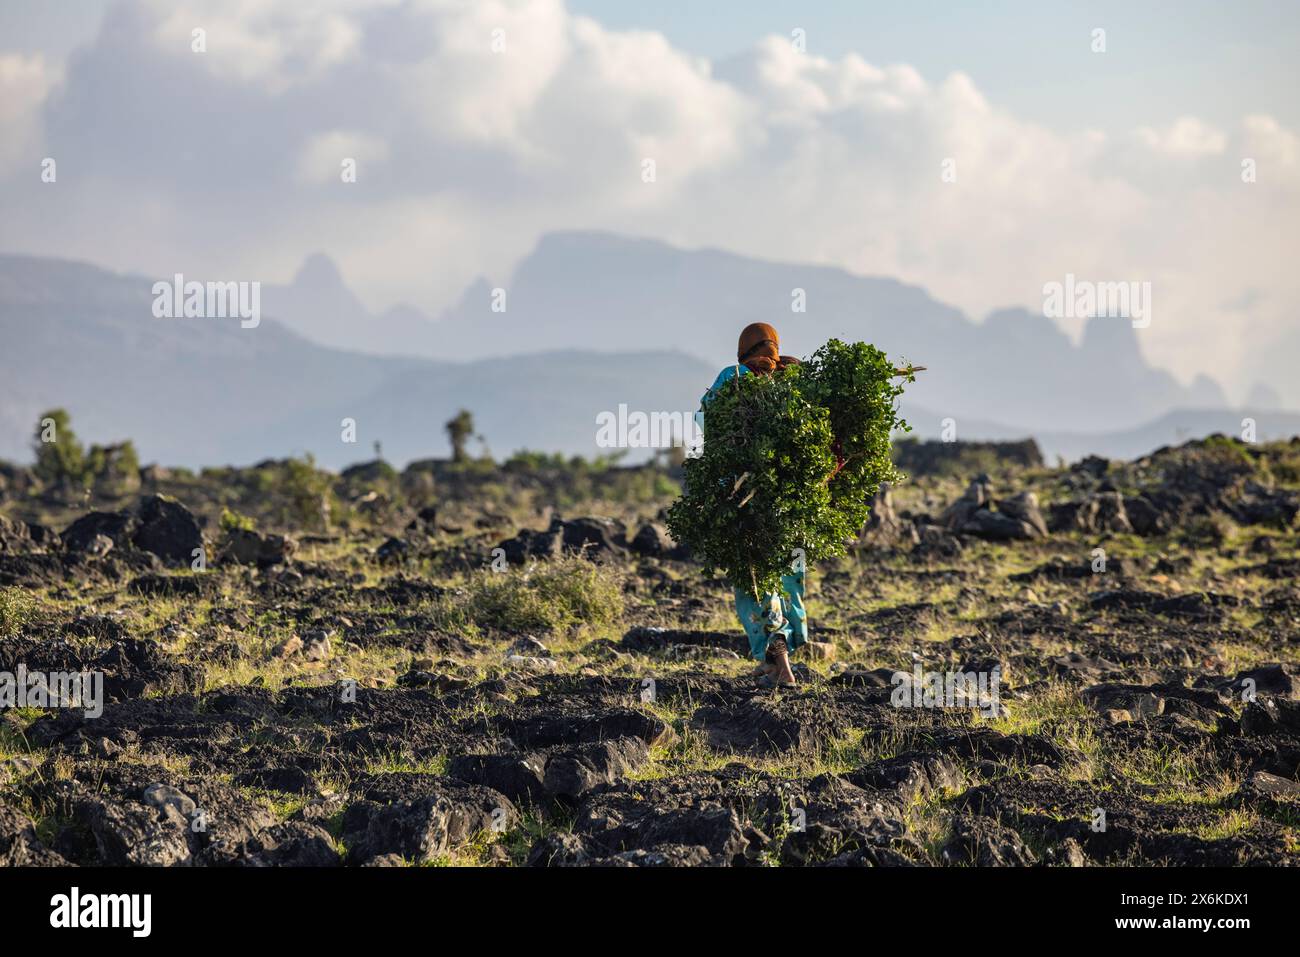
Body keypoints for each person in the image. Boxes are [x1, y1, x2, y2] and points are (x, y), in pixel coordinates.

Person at [696, 322, 807, 688]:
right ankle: (786, 654)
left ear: (742, 352)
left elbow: (706, 417)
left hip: (745, 501)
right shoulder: (791, 385)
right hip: (788, 504)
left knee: (755, 582)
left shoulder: (734, 377)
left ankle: (777, 663)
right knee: (786, 578)